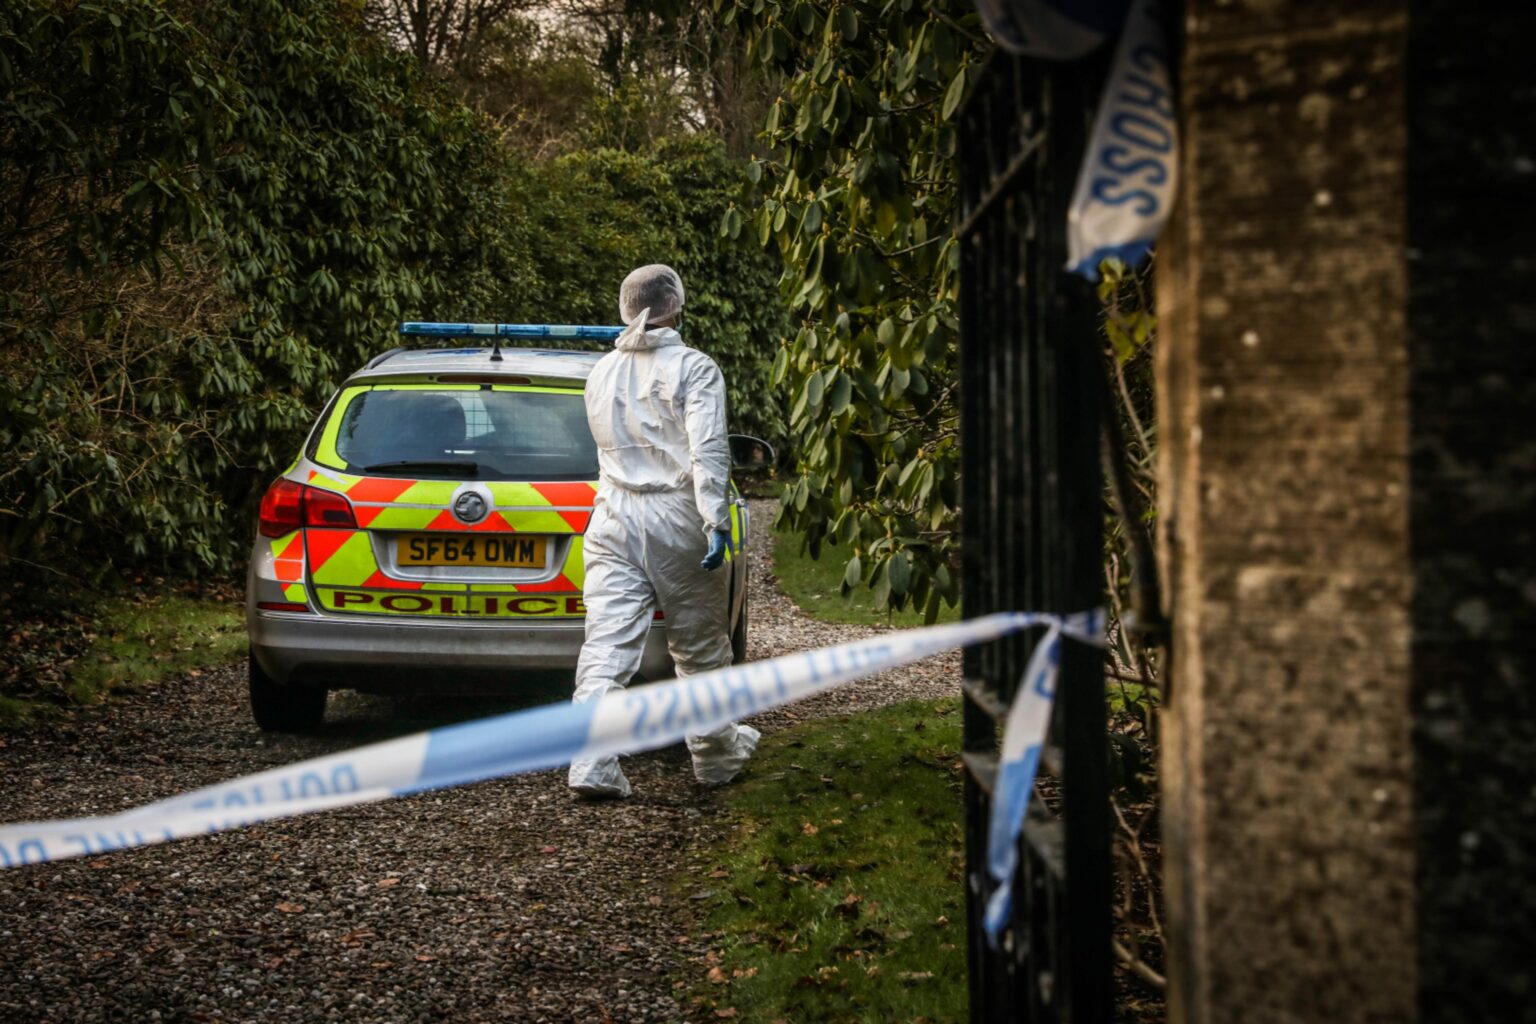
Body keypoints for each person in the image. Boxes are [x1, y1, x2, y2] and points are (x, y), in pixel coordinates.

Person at [567, 264, 760, 798]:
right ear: (676, 306)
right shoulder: (695, 367)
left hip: (612, 516)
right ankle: (714, 756)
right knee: (699, 645)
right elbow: (707, 448)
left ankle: (592, 762)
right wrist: (715, 519)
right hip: (677, 514)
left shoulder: (601, 371)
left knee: (607, 643)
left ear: (626, 308)